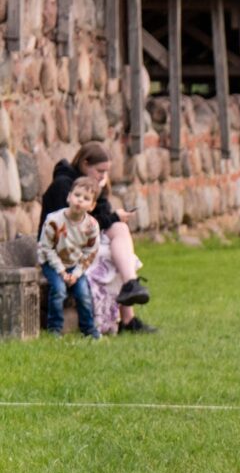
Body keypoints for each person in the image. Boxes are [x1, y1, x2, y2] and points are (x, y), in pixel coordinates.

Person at [39, 143, 156, 335]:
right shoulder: (64, 185)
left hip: (82, 242)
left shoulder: (93, 184)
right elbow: (75, 228)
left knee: (120, 232)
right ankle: (124, 318)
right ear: (85, 163)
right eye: (100, 171)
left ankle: (131, 286)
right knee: (114, 256)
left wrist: (102, 199)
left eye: (106, 172)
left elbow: (101, 219)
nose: (103, 176)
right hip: (64, 248)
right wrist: (114, 216)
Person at [37, 176, 102, 339]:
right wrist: (61, 272)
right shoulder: (53, 220)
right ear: (69, 197)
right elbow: (46, 248)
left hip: (74, 264)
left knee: (83, 293)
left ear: (92, 206)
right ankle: (54, 329)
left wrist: (76, 274)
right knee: (59, 290)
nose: (80, 200)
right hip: (51, 262)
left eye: (86, 198)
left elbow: (90, 252)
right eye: (77, 195)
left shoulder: (92, 226)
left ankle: (89, 329)